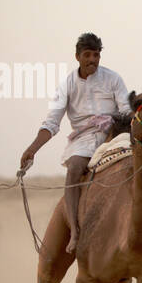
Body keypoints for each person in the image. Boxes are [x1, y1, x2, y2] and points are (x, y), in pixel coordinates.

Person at [18, 32, 131, 254]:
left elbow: (126, 110)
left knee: (140, 165)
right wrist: (32, 149)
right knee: (74, 169)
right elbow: (52, 123)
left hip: (114, 135)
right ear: (77, 56)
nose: (92, 60)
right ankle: (75, 232)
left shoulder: (113, 79)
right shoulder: (66, 85)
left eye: (96, 55)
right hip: (83, 139)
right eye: (87, 55)